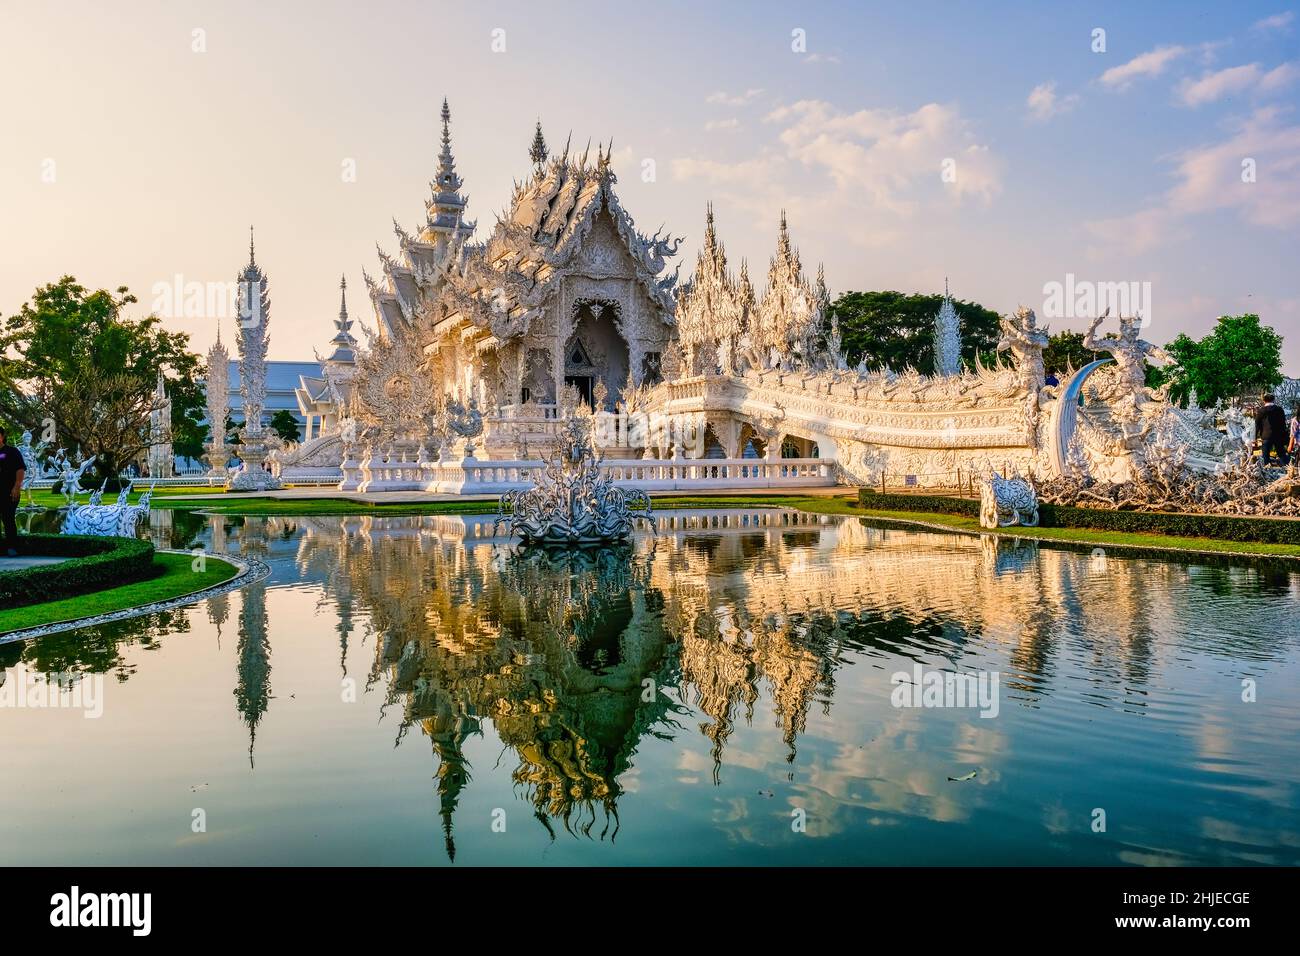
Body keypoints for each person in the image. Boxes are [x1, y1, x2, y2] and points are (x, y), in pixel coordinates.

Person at [0, 426, 27, 557]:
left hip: (9, 492)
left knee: (8, 518)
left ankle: (11, 547)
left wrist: (17, 486)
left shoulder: (12, 451)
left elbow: (20, 469)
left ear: (2, 436)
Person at [1255, 393, 1289, 467]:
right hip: (1278, 435)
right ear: (1273, 400)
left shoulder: (1261, 411)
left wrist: (1255, 437)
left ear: (1264, 401)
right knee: (1281, 453)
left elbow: (1257, 424)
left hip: (1266, 435)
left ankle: (1267, 471)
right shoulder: (1279, 409)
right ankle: (1287, 469)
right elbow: (1283, 423)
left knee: (1265, 455)